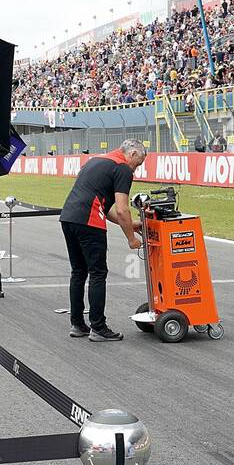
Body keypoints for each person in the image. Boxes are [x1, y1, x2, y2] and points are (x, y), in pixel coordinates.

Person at [58, 139, 146, 341]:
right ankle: (98, 327)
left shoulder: (96, 160)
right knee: (98, 273)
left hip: (69, 217)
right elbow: (122, 209)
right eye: (138, 163)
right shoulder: (123, 168)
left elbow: (106, 209)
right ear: (132, 154)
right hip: (89, 221)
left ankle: (78, 324)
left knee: (78, 272)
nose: (137, 169)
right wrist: (131, 239)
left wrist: (131, 224)